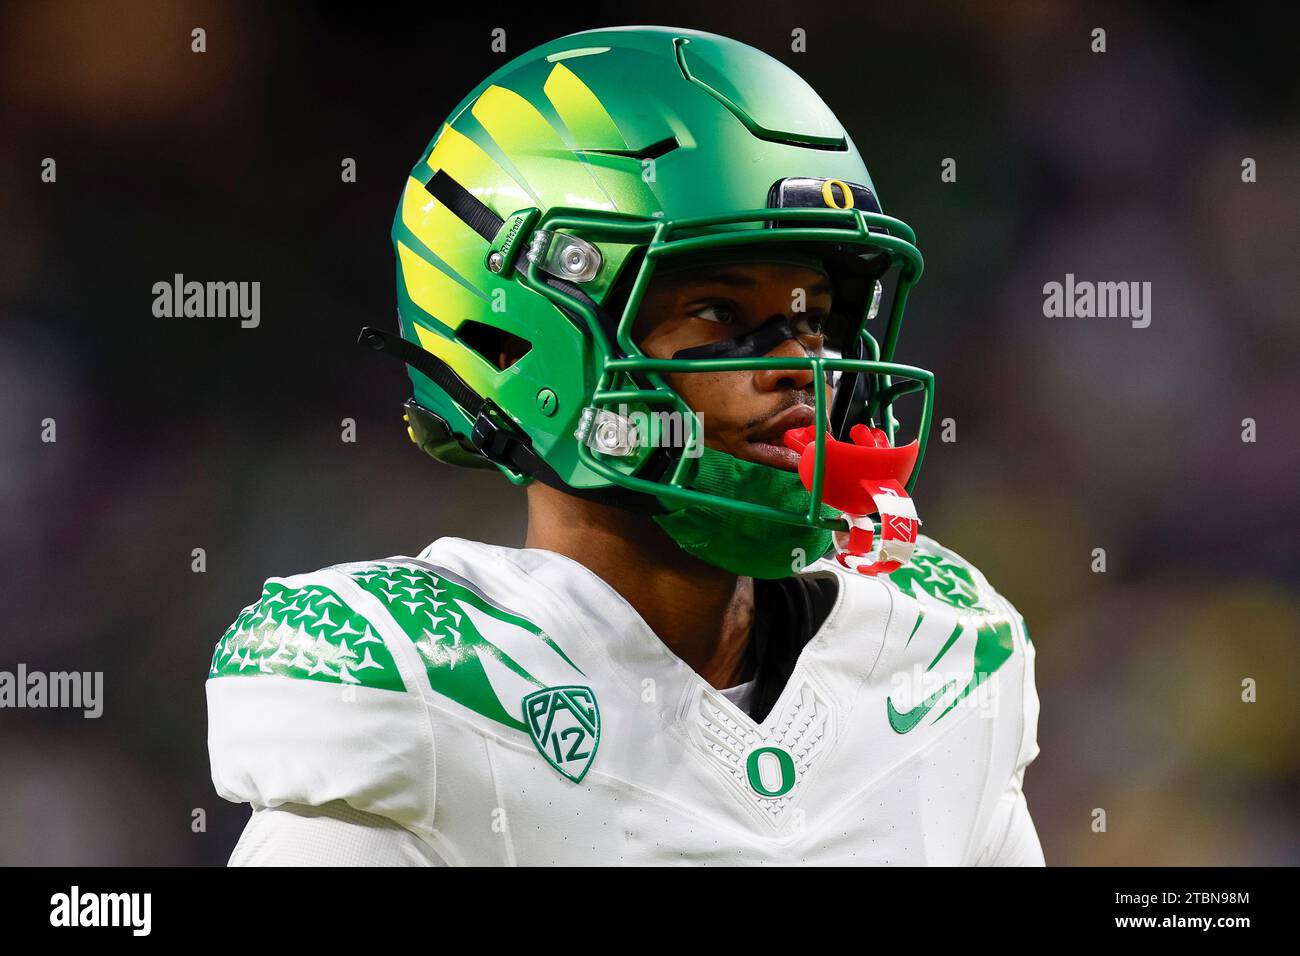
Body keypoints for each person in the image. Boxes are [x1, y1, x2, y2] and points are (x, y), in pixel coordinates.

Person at [207, 25, 1043, 866]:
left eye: (814, 319)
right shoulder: (428, 697)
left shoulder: (939, 660)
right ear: (515, 341)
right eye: (720, 313)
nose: (801, 368)